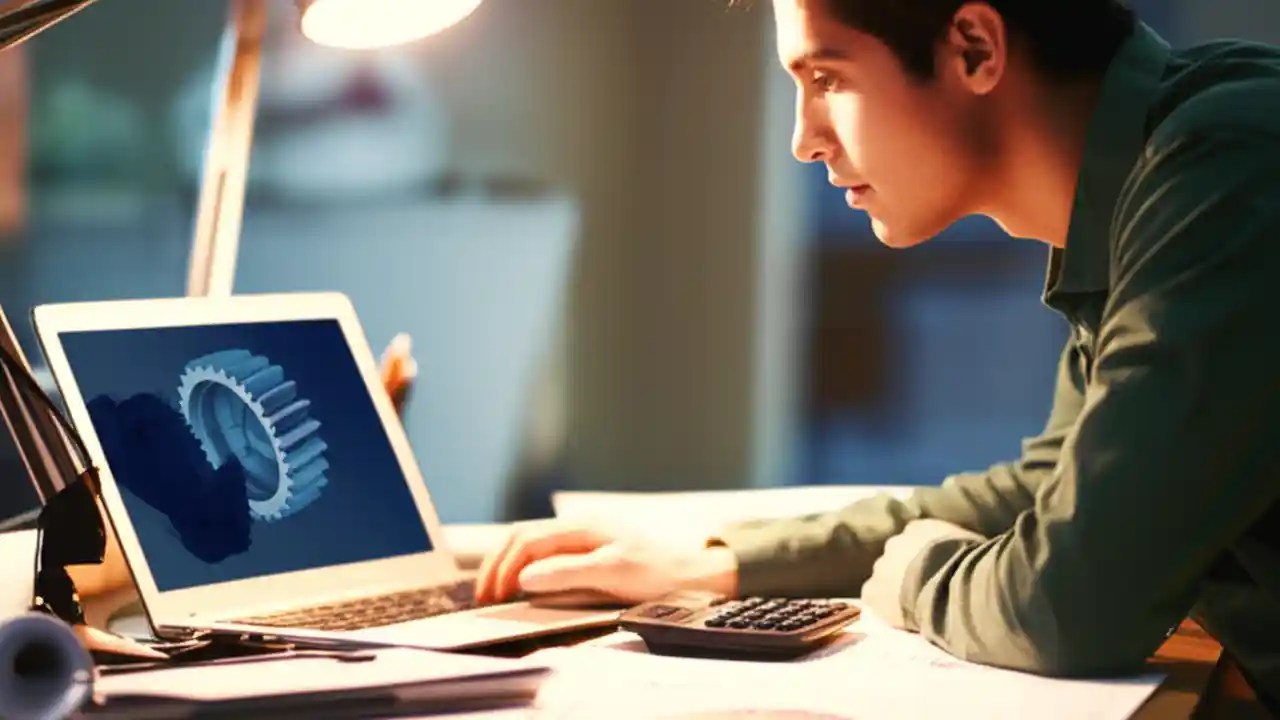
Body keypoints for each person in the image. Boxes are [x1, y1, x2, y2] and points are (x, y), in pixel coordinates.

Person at [475, 0, 1280, 709]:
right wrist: (718, 563)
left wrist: (917, 571)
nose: (802, 141)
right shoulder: (1159, 179)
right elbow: (1047, 488)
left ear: (974, 47)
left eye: (826, 78)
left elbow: (1069, 604)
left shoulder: (1224, 165)